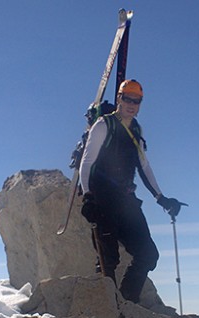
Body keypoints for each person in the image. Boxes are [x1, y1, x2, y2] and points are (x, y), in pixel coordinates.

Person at [78, 79, 184, 304]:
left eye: (137, 101)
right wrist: (87, 196)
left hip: (126, 201)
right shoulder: (104, 125)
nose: (132, 104)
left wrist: (161, 198)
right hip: (102, 200)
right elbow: (86, 163)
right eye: (127, 99)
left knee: (148, 255)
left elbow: (144, 166)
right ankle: (108, 312)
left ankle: (127, 305)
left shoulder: (136, 129)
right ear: (119, 98)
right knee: (108, 261)